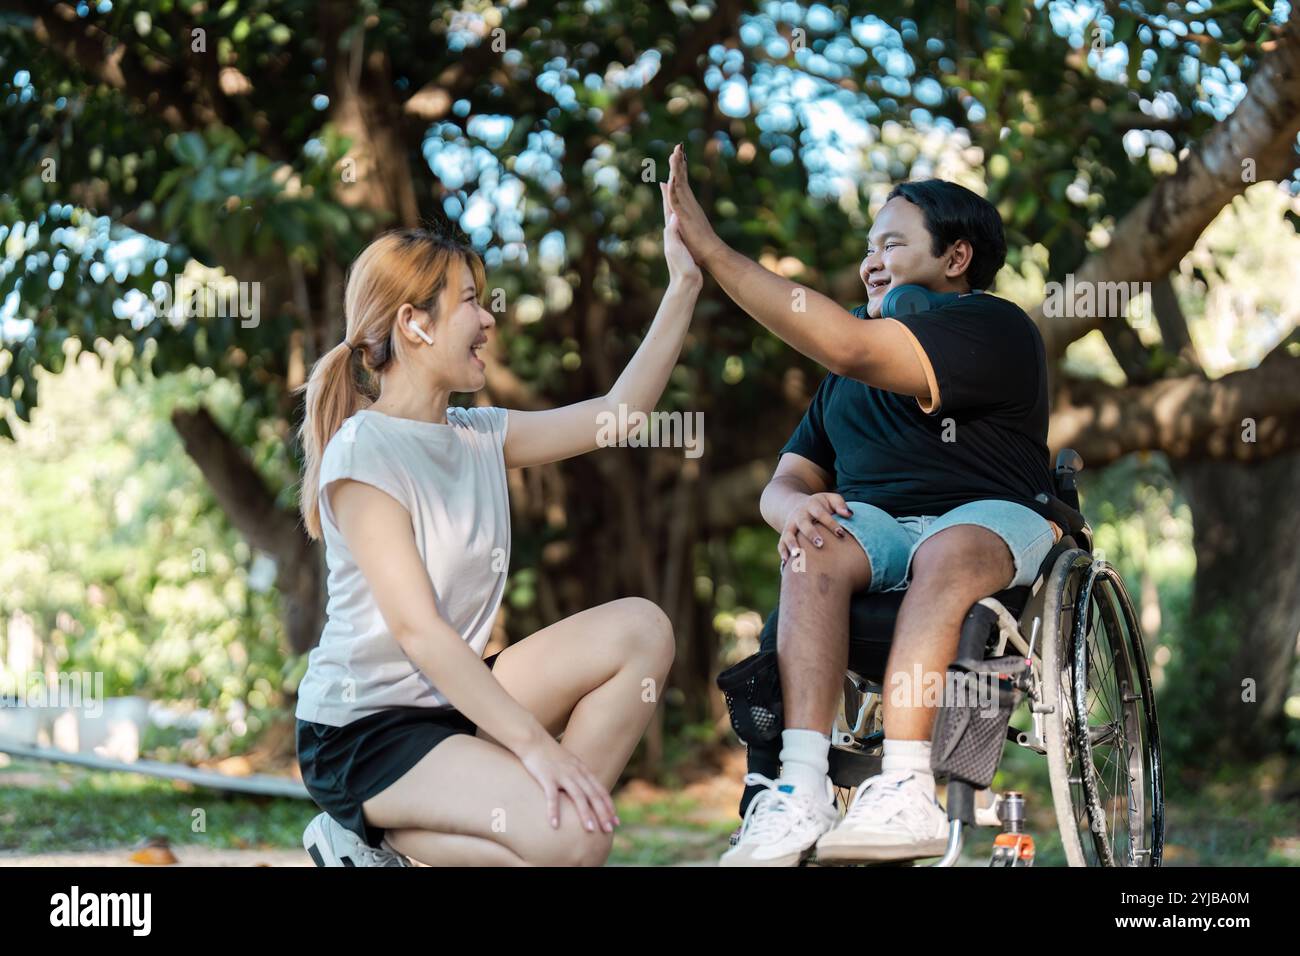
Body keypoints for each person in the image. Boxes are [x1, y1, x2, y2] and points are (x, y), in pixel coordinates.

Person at [664, 146, 1060, 866]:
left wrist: (713, 251)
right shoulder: (848, 369)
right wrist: (790, 511)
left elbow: (848, 346)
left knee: (944, 548)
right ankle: (801, 786)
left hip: (990, 518)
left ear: (956, 256)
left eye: (893, 245)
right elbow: (785, 480)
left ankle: (907, 786)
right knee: (812, 542)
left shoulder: (991, 326)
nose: (871, 263)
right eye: (867, 249)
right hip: (879, 532)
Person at [293, 185, 701, 866]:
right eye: (471, 303)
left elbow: (620, 414)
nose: (489, 321)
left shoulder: (479, 435)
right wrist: (535, 748)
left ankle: (539, 836)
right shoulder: (364, 451)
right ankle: (363, 835)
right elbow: (418, 629)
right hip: (365, 732)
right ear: (415, 324)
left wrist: (683, 283)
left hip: (454, 703)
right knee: (578, 839)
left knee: (642, 629)